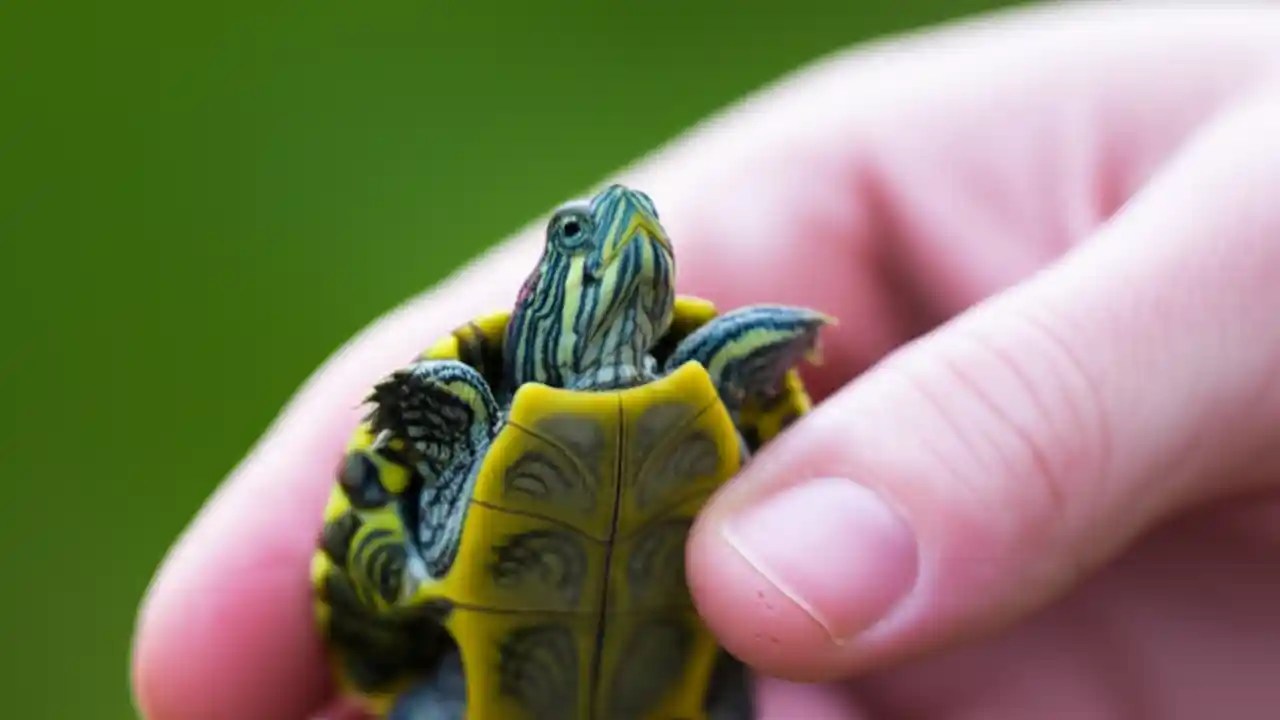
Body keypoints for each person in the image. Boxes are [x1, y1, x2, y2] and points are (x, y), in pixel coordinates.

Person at [131, 4, 1280, 718]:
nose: (620, 226)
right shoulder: (469, 403)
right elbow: (386, 535)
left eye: (638, 239)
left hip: (676, 680)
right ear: (546, 290)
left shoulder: (705, 385)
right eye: (579, 239)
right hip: (462, 683)